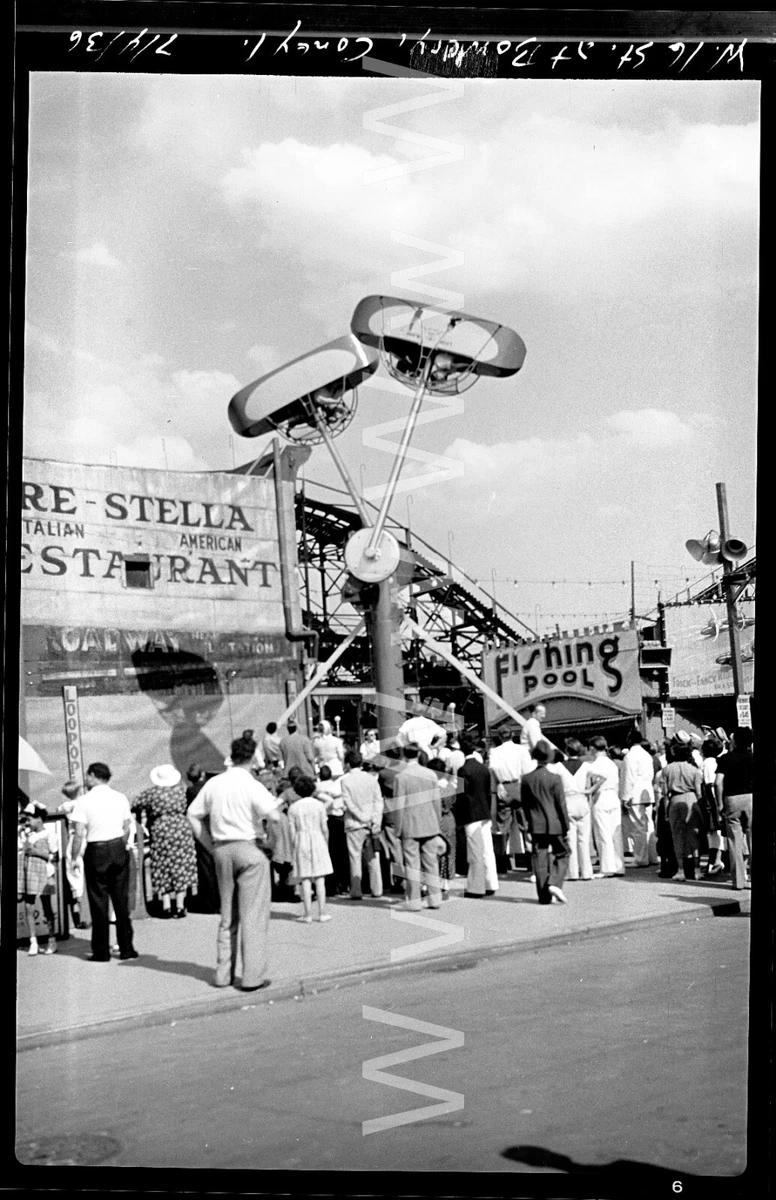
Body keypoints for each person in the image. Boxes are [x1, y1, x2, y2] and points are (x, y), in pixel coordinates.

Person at [187, 735, 282, 990]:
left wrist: (209, 844)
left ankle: (223, 974)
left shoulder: (214, 783)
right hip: (249, 847)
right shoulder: (252, 785)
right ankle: (252, 977)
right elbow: (273, 816)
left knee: (227, 916)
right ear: (252, 758)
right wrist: (271, 844)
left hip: (221, 849)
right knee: (253, 916)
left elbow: (193, 815)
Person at [70, 762, 138, 962]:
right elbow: (127, 826)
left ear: (92, 776)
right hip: (118, 847)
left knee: (98, 902)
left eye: (87, 776)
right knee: (121, 901)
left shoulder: (83, 801)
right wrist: (121, 845)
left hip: (96, 849)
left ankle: (101, 951)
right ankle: (126, 948)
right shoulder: (120, 797)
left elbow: (79, 834)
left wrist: (75, 857)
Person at [132, 764, 199, 918]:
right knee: (181, 865)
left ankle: (167, 905)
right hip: (181, 828)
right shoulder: (180, 791)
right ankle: (181, 906)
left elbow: (135, 803)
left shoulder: (152, 793)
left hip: (161, 828)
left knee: (163, 865)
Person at [390, 743, 443, 911]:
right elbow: (437, 801)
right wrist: (437, 821)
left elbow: (399, 805)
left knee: (412, 865)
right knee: (431, 863)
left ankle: (414, 900)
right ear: (419, 754)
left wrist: (398, 828)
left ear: (404, 755)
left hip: (410, 825)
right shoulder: (430, 774)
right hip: (430, 823)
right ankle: (435, 899)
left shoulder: (401, 777)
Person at [519, 741, 570, 905]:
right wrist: (565, 825)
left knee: (539, 857)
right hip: (554, 823)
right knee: (563, 853)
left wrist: (527, 824)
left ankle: (543, 896)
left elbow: (525, 804)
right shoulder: (555, 778)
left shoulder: (526, 779)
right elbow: (560, 804)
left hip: (536, 823)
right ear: (549, 758)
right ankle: (554, 883)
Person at [455, 735, 498, 898]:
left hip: (470, 813)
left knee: (474, 851)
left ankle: (475, 887)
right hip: (484, 811)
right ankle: (490, 883)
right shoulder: (483, 768)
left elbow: (461, 795)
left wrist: (458, 816)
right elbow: (488, 791)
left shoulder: (463, 770)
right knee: (487, 849)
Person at [288, 775, 334, 923]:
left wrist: (295, 845)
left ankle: (307, 914)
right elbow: (325, 828)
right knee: (320, 877)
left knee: (305, 878)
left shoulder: (293, 808)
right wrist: (325, 843)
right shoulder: (319, 805)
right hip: (317, 838)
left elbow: (292, 832)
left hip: (301, 839)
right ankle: (322, 912)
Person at [341, 750, 384, 900]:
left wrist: (362, 818)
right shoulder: (372, 779)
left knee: (355, 857)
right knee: (373, 857)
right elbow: (378, 801)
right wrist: (375, 820)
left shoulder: (345, 781)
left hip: (354, 824)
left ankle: (356, 889)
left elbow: (349, 804)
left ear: (347, 764)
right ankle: (377, 888)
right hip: (372, 824)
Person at [578, 736, 624, 878]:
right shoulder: (611, 763)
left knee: (602, 833)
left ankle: (607, 867)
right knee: (615, 833)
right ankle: (618, 865)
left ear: (592, 748)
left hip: (601, 797)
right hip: (614, 797)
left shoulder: (594, 765)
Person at [714, 727, 753, 891]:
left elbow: (717, 782)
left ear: (735, 741)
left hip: (732, 799)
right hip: (751, 797)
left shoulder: (725, 759)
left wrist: (719, 805)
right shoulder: (753, 758)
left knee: (734, 841)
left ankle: (738, 881)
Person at [488, 730, 533, 870]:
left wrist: (499, 783)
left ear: (500, 737)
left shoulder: (495, 751)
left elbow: (493, 767)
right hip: (519, 784)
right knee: (525, 823)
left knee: (503, 825)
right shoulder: (521, 749)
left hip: (504, 785)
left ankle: (502, 862)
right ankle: (530, 860)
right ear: (512, 735)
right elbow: (527, 769)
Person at [551, 739, 594, 882]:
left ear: (567, 751)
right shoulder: (586, 766)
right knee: (584, 839)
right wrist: (590, 790)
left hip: (567, 801)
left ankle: (573, 872)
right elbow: (602, 777)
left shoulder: (558, 766)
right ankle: (587, 872)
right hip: (582, 799)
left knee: (570, 839)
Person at [18, 802, 58, 955]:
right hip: (29, 873)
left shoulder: (49, 835)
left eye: (30, 819)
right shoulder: (27, 835)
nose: (27, 823)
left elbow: (55, 857)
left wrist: (35, 852)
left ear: (39, 819)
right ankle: (32, 940)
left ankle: (51, 939)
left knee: (47, 906)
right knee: (29, 906)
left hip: (45, 873)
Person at [661, 742, 704, 881]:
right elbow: (699, 792)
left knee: (677, 836)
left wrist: (666, 813)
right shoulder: (694, 770)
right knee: (694, 835)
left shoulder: (667, 769)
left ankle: (681, 870)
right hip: (692, 799)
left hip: (675, 799)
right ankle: (697, 869)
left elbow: (664, 793)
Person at [621, 733, 658, 868]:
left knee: (638, 828)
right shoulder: (646, 755)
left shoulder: (630, 756)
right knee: (649, 826)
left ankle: (641, 858)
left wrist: (625, 797)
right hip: (647, 791)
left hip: (635, 792)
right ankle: (652, 856)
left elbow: (628, 778)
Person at [376, 746, 407, 895]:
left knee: (395, 850)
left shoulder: (384, 773)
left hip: (390, 810)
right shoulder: (407, 770)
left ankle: (399, 880)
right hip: (407, 809)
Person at [59, 779, 90, 929]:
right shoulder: (84, 802)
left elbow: (60, 809)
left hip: (75, 838)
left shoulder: (67, 805)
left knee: (74, 873)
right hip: (88, 837)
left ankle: (81, 914)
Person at [314, 765, 349, 896]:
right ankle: (343, 884)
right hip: (339, 819)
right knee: (341, 853)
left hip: (325, 820)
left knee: (328, 853)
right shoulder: (336, 785)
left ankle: (330, 885)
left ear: (319, 776)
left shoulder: (316, 788)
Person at [427, 757, 458, 898]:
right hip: (449, 819)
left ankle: (433, 882)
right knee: (449, 851)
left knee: (434, 853)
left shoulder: (432, 788)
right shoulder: (450, 786)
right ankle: (446, 882)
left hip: (435, 820)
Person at [700, 737, 725, 875]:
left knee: (714, 831)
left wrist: (713, 805)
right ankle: (714, 860)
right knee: (714, 832)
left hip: (711, 801)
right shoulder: (715, 761)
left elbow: (710, 784)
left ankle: (716, 860)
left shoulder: (708, 763)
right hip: (713, 800)